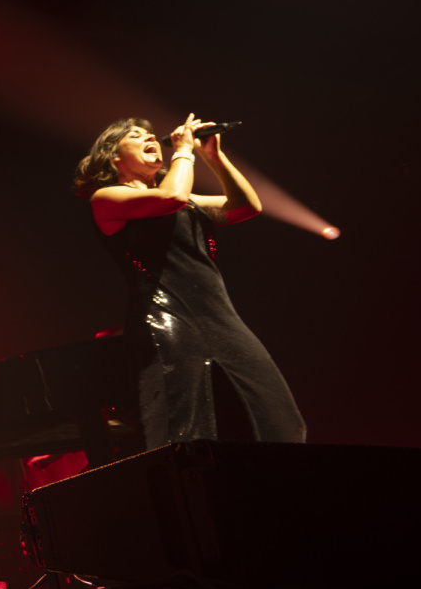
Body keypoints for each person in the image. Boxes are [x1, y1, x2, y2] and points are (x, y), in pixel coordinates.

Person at [75, 114, 304, 448]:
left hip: (220, 318)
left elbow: (246, 207)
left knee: (277, 417)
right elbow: (172, 199)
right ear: (114, 158)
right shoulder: (107, 199)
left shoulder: (186, 200)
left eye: (151, 135)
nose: (150, 138)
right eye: (136, 136)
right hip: (166, 323)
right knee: (185, 428)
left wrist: (214, 157)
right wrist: (184, 151)